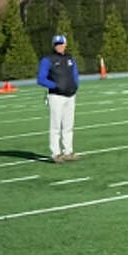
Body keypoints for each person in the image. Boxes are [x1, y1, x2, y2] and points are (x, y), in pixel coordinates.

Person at [37, 34, 80, 163]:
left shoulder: (70, 58)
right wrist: (55, 85)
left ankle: (68, 151)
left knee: (68, 125)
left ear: (65, 44)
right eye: (57, 44)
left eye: (61, 44)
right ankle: (56, 153)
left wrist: (75, 85)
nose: (59, 46)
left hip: (70, 95)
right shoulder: (48, 60)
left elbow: (75, 74)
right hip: (56, 96)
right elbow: (41, 79)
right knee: (55, 126)